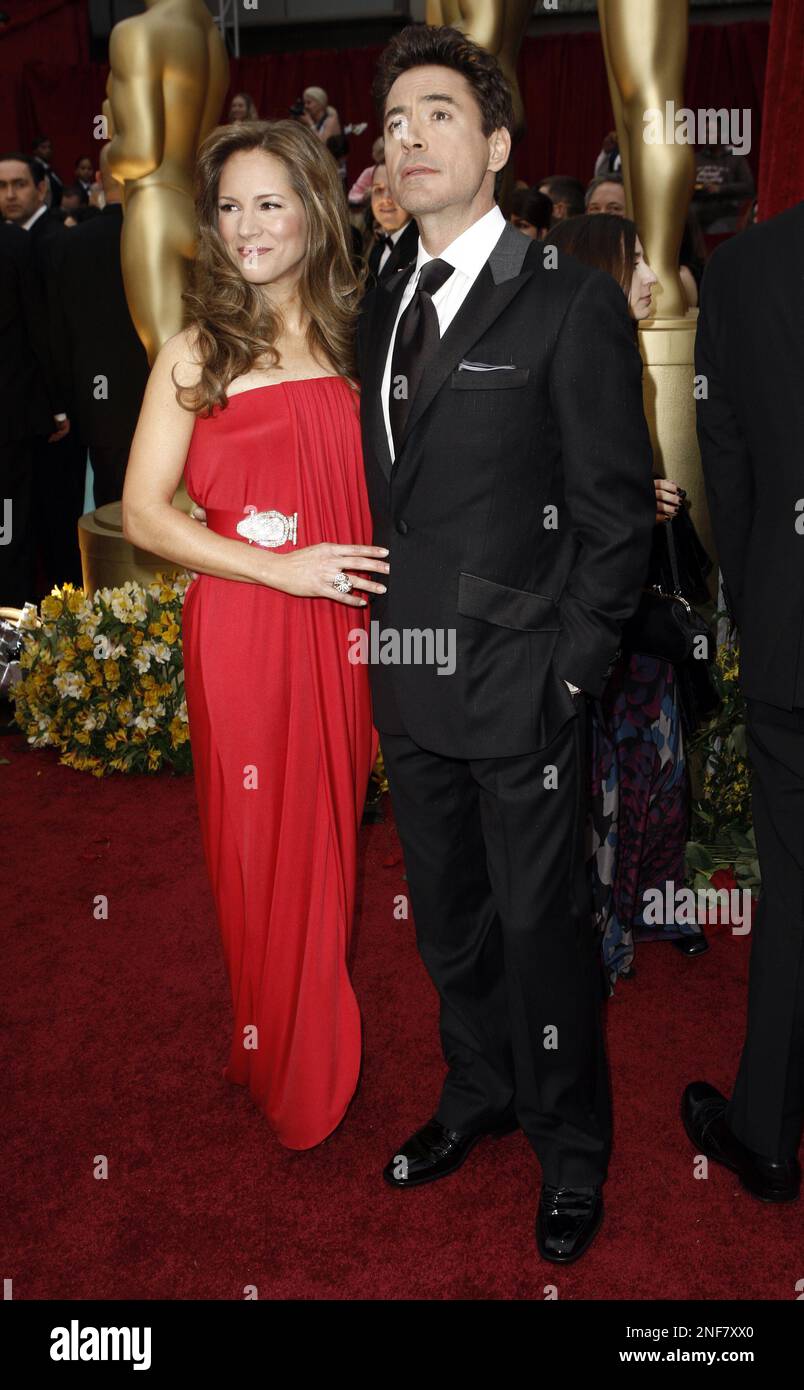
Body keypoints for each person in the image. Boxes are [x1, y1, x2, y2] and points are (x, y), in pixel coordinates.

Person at [359, 25, 655, 1263]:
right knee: (448, 922)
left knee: (543, 933)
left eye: (436, 114)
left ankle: (569, 1144)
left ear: (495, 144)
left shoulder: (568, 299)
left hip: (525, 686)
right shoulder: (383, 295)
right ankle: (477, 1091)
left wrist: (571, 674)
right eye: (392, 122)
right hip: (409, 677)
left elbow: (614, 513)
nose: (407, 138)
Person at [121, 119, 384, 1150]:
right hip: (246, 627)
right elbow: (145, 512)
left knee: (329, 843)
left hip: (344, 632)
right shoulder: (196, 348)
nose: (247, 226)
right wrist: (281, 566)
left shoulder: (365, 338)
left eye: (270, 201)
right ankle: (293, 1059)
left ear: (317, 210)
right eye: (229, 207)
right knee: (257, 845)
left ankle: (286, 1033)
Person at [545, 213, 709, 989]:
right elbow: (541, 500)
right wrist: (626, 504)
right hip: (596, 620)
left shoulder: (628, 355)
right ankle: (602, 935)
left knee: (659, 767)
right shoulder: (570, 358)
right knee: (607, 785)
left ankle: (654, 905)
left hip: (646, 613)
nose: (654, 277)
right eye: (636, 261)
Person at [683, 198, 804, 1205]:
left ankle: (765, 1131)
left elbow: (724, 466)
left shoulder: (744, 267)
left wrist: (761, 588)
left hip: (792, 629)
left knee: (796, 885)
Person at [366, 161, 418, 284]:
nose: (385, 199)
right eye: (378, 189)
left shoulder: (421, 250)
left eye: (394, 189)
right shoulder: (376, 247)